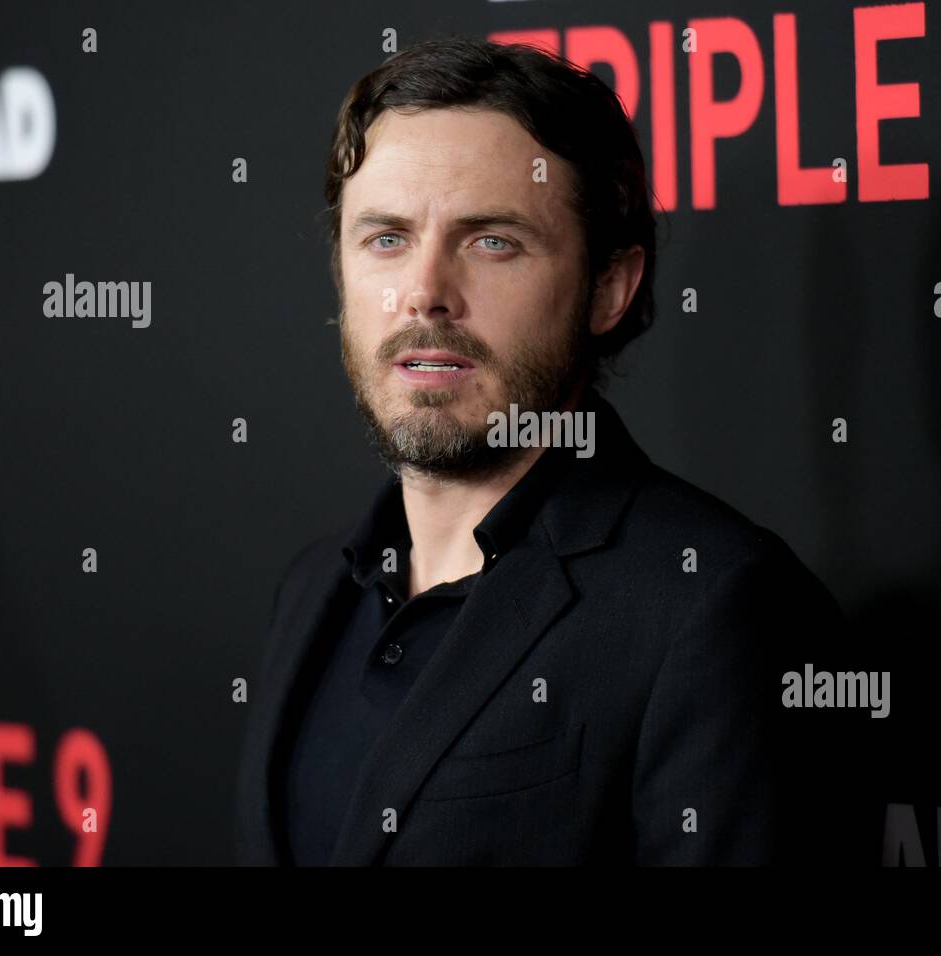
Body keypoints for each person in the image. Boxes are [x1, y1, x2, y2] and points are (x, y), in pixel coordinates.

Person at [235, 35, 843, 866]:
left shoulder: (713, 607)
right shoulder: (311, 590)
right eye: (386, 238)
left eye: (493, 241)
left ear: (608, 288)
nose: (425, 293)